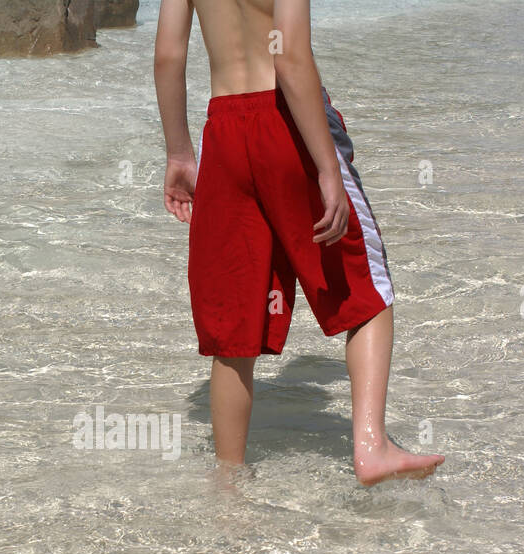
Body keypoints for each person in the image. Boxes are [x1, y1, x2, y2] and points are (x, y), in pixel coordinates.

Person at [154, 0, 445, 485]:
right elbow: (287, 55)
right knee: (365, 285)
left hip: (224, 131)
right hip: (285, 124)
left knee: (235, 320)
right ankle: (371, 447)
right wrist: (328, 166)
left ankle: (229, 485)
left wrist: (179, 152)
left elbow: (168, 57)